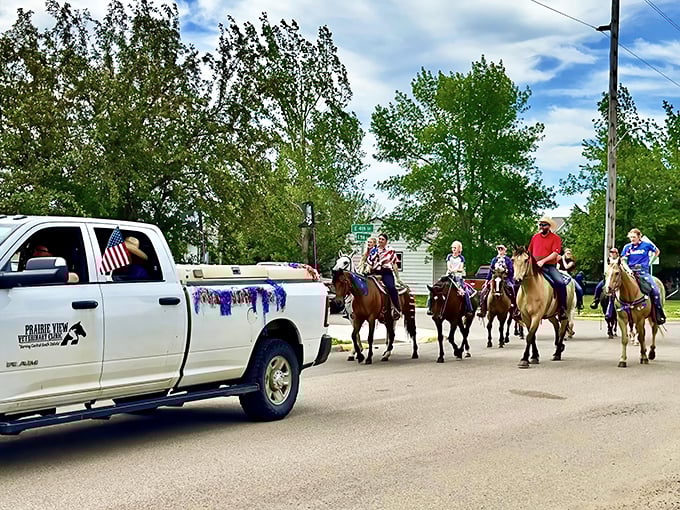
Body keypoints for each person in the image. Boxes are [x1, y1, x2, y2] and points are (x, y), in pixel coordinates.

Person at [620, 228, 665, 325]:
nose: (632, 239)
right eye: (631, 237)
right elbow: (623, 260)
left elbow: (657, 251)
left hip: (643, 272)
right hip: (630, 272)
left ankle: (658, 313)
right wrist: (628, 269)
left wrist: (650, 262)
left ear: (639, 237)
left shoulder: (646, 245)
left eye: (634, 237)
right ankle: (614, 312)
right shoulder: (627, 247)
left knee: (655, 291)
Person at [527, 216, 568, 320]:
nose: (541, 226)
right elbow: (529, 252)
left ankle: (562, 308)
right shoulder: (535, 237)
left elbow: (555, 253)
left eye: (544, 224)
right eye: (540, 224)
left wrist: (543, 261)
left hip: (549, 266)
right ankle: (518, 307)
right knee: (519, 281)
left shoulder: (556, 238)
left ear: (549, 226)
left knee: (560, 282)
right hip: (534, 266)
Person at [367, 233, 401, 320]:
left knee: (391, 288)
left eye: (382, 239)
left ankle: (396, 308)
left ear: (386, 241)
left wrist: (398, 278)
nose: (380, 241)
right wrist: (368, 270)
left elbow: (394, 264)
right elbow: (370, 262)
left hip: (386, 272)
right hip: (375, 272)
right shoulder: (373, 250)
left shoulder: (390, 250)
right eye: (379, 239)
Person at [477, 244, 516, 318]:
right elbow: (490, 271)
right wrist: (486, 282)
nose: (500, 251)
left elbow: (511, 271)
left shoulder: (508, 260)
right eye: (499, 249)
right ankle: (482, 309)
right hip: (495, 278)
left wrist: (506, 271)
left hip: (505, 278)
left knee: (512, 288)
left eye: (502, 249)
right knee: (483, 291)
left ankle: (513, 307)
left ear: (505, 250)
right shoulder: (494, 259)